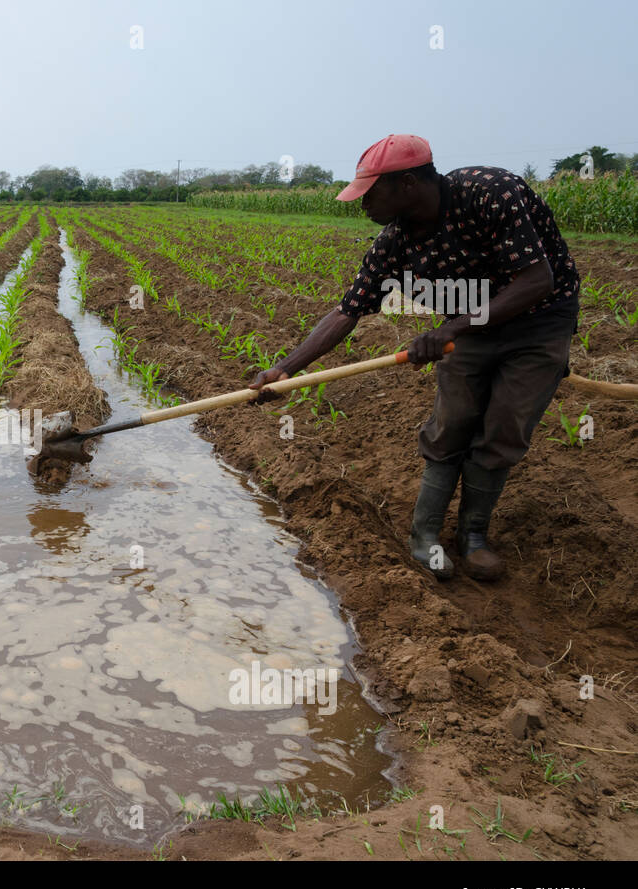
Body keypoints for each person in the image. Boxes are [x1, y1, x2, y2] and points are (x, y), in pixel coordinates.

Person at [249, 134, 580, 582]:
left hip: (540, 321)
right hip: (469, 328)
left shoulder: (490, 193)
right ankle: (425, 535)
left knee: (504, 428)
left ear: (407, 183)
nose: (361, 205)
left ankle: (473, 536)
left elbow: (534, 281)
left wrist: (452, 328)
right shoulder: (394, 243)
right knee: (453, 421)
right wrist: (283, 370)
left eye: (370, 193)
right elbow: (349, 310)